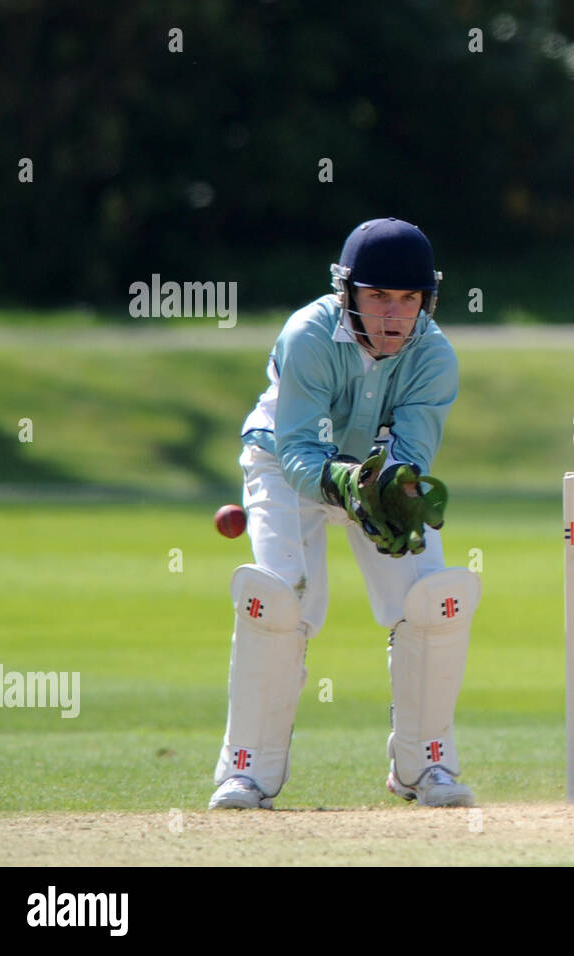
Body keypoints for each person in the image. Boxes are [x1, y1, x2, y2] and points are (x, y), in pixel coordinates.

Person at [208, 217, 481, 810]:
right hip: (284, 465)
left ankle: (425, 763)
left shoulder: (433, 354)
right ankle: (246, 772)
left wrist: (391, 491)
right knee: (279, 601)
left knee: (432, 601)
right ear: (347, 291)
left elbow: (410, 452)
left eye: (408, 299)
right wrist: (344, 482)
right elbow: (300, 450)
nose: (392, 315)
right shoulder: (307, 335)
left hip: (373, 475)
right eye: (378, 295)